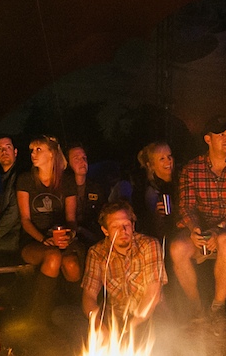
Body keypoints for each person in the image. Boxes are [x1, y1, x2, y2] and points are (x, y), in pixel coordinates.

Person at [168, 117, 226, 321]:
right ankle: (197, 309)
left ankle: (217, 310)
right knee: (178, 248)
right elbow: (186, 206)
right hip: (204, 227)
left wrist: (219, 228)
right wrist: (194, 229)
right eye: (221, 135)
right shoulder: (192, 170)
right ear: (208, 139)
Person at [18, 135, 80, 320]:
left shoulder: (67, 181)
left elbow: (71, 219)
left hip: (61, 239)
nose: (33, 154)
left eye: (39, 150)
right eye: (31, 150)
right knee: (53, 256)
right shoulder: (26, 180)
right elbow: (25, 220)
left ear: (52, 154)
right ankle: (38, 315)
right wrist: (44, 240)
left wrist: (69, 235)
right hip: (33, 241)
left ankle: (77, 310)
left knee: (71, 264)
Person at [81, 201, 166, 329]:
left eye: (126, 224)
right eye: (115, 226)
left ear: (133, 225)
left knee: (157, 333)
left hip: (149, 316)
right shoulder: (97, 253)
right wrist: (98, 326)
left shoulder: (149, 245)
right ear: (105, 230)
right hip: (115, 318)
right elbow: (89, 295)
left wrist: (131, 326)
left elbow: (152, 293)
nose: (123, 231)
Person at [109, 141, 175, 246]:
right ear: (151, 165)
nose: (168, 161)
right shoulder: (151, 192)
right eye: (162, 159)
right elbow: (153, 228)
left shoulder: (181, 180)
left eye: (169, 156)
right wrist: (158, 216)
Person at [68, 143, 108, 245]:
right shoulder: (63, 188)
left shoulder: (96, 187)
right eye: (76, 158)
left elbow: (104, 213)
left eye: (84, 157)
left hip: (94, 235)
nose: (82, 161)